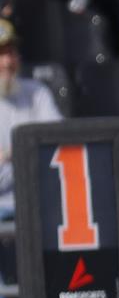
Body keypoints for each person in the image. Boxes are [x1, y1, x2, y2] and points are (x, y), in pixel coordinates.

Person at [0, 22, 62, 221]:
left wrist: (11, 154)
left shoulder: (37, 92)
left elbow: (59, 140)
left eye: (11, 53)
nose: (7, 62)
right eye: (1, 54)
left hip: (37, 204)